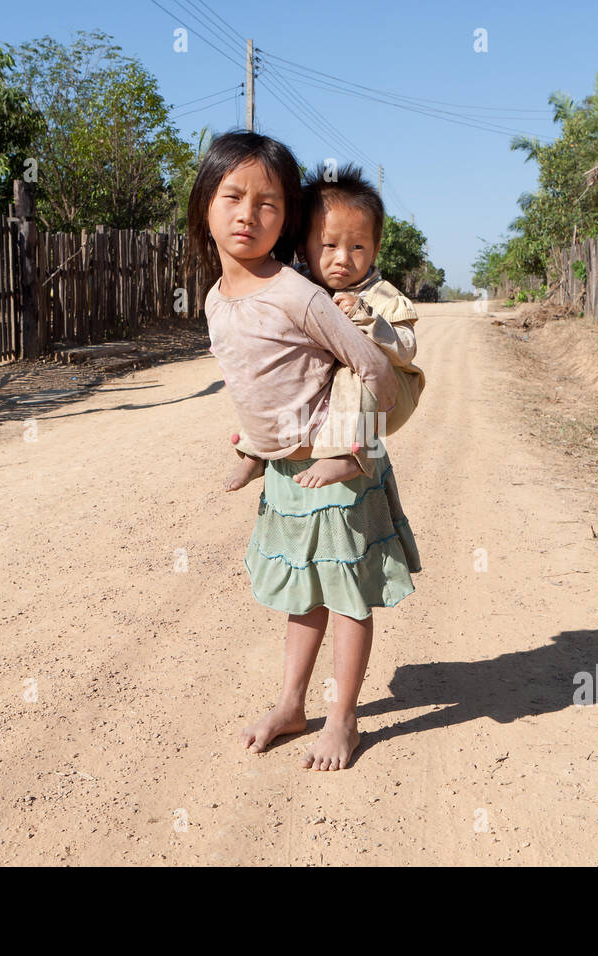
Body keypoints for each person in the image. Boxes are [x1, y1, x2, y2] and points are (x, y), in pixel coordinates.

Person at [190, 130, 422, 770]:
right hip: (289, 475)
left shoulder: (300, 294)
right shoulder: (216, 298)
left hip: (341, 469)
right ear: (205, 205)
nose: (247, 214)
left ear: (285, 219)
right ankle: (292, 705)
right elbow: (255, 384)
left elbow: (373, 369)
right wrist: (256, 447)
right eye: (232, 196)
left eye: (267, 203)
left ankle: (342, 718)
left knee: (346, 594)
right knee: (303, 593)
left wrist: (358, 448)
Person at [224, 164, 426, 493]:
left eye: (357, 247)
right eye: (329, 245)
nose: (343, 258)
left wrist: (367, 317)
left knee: (351, 370)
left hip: (386, 396)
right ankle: (256, 448)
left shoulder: (383, 296)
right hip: (329, 400)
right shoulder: (298, 286)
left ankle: (347, 454)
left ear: (375, 250)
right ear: (304, 249)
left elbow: (406, 347)